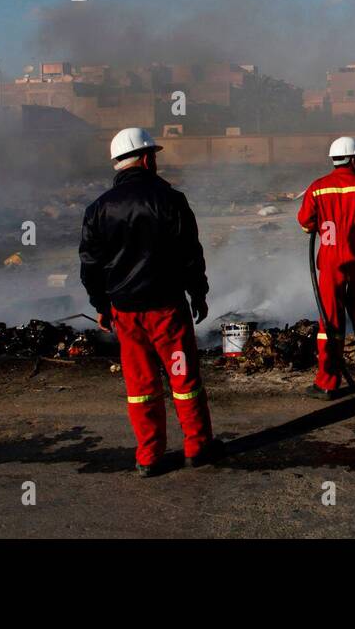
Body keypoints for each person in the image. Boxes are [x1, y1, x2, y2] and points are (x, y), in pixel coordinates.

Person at [79, 127, 223, 476]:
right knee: (183, 378)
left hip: (126, 312)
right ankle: (197, 446)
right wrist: (198, 292)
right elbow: (190, 254)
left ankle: (148, 456)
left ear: (118, 163)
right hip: (167, 309)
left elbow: (90, 264)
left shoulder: (98, 209)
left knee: (141, 385)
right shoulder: (171, 200)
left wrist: (101, 305)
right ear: (147, 158)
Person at [296, 136, 355, 400]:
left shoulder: (317, 189)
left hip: (330, 264)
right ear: (353, 160)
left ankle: (327, 383)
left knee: (330, 322)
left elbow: (305, 223)